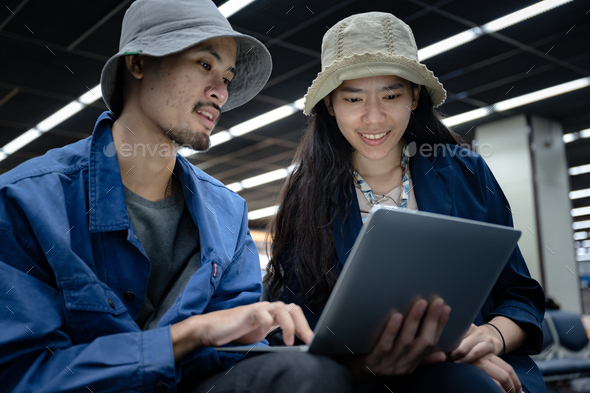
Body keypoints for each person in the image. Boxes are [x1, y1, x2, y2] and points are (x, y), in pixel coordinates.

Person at [0, 1, 352, 392]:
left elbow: (235, 356)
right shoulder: (27, 201)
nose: (221, 92)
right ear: (138, 63)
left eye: (228, 77)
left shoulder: (228, 213)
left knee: (312, 376)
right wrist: (186, 336)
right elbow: (21, 375)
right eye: (205, 64)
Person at [266, 12, 546, 393]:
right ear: (330, 105)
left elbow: (520, 294)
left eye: (392, 95)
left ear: (415, 96)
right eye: (352, 98)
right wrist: (367, 365)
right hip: (366, 380)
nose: (374, 117)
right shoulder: (306, 196)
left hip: (476, 367)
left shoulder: (466, 172)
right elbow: (298, 329)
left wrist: (492, 336)